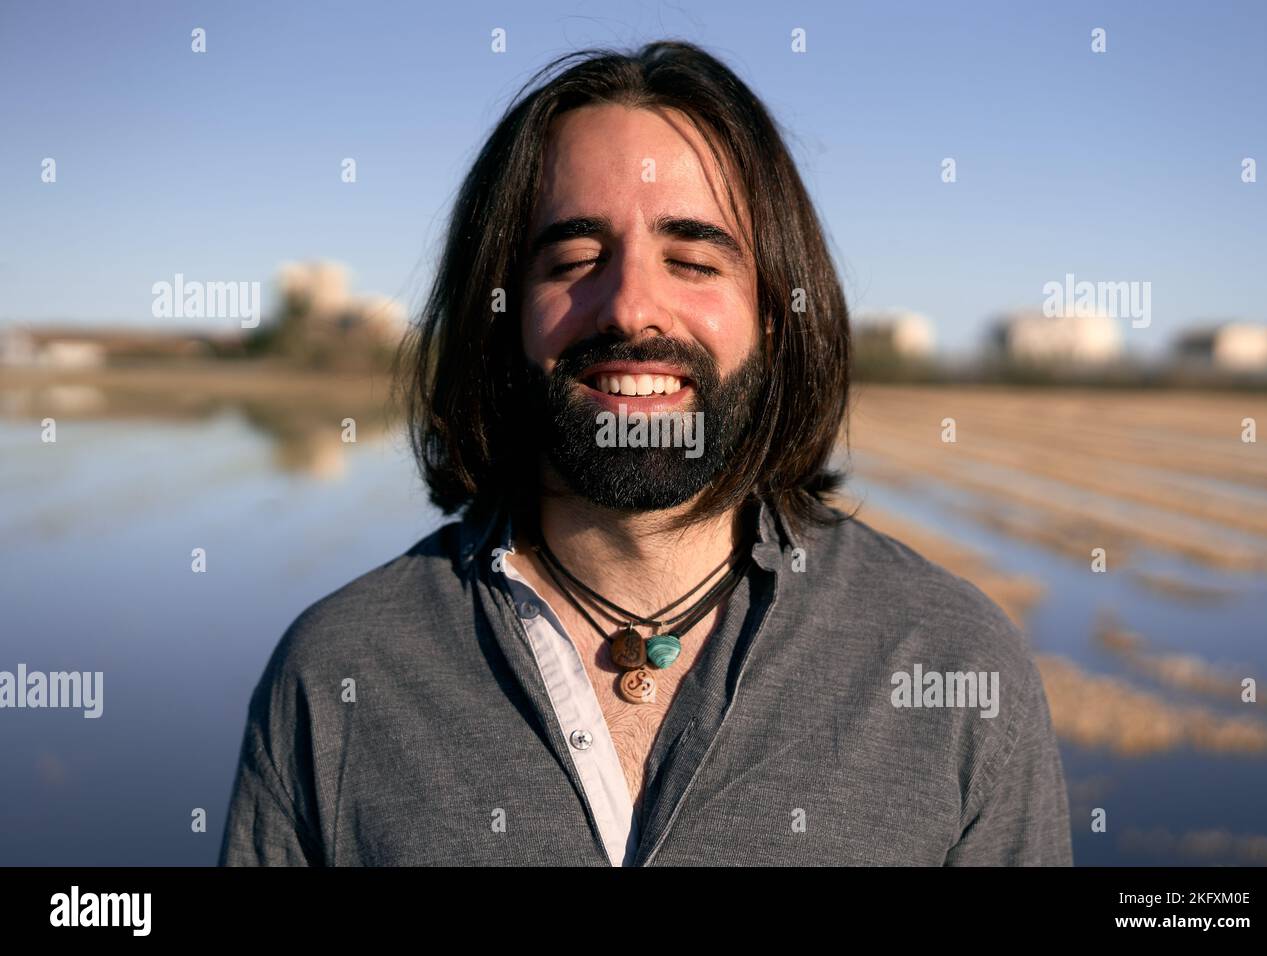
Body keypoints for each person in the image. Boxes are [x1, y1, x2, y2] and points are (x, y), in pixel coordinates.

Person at [218, 40, 1072, 866]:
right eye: (577, 257)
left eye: (693, 260)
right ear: (501, 311)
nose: (632, 308)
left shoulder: (955, 664)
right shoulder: (336, 673)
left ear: (776, 315)